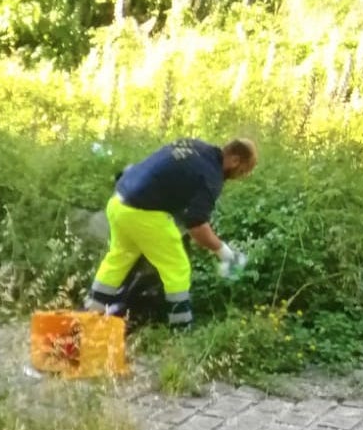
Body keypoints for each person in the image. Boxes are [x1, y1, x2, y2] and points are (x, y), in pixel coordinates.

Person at [85, 137, 258, 328]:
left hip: (119, 201)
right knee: (177, 268)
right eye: (242, 171)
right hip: (143, 213)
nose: (239, 177)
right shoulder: (211, 176)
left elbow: (165, 175)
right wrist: (224, 252)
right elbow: (197, 226)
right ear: (234, 160)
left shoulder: (193, 145)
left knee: (119, 258)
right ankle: (181, 329)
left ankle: (90, 317)